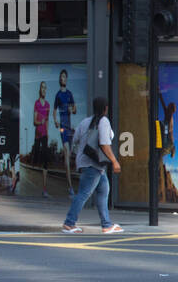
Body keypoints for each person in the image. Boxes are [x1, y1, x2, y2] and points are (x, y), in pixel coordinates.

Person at [62, 97, 122, 234]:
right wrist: (114, 161)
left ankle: (106, 225)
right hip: (93, 165)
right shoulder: (104, 121)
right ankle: (69, 223)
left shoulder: (85, 122)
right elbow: (105, 144)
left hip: (87, 163)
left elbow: (75, 139)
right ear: (106, 108)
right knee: (84, 193)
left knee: (103, 191)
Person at [32, 82, 50, 170]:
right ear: (40, 90)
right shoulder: (37, 103)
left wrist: (48, 133)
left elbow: (47, 121)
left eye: (45, 88)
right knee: (36, 157)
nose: (44, 90)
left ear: (46, 90)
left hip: (44, 134)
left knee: (45, 157)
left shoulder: (48, 105)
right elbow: (34, 122)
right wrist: (40, 122)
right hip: (37, 135)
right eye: (42, 87)